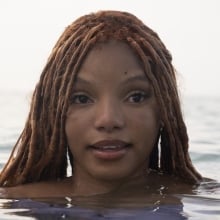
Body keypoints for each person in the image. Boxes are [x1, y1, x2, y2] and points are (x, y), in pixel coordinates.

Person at [0, 10, 202, 199]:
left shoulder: (204, 200)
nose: (108, 120)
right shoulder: (14, 202)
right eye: (81, 98)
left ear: (165, 110)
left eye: (136, 97)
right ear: (52, 112)